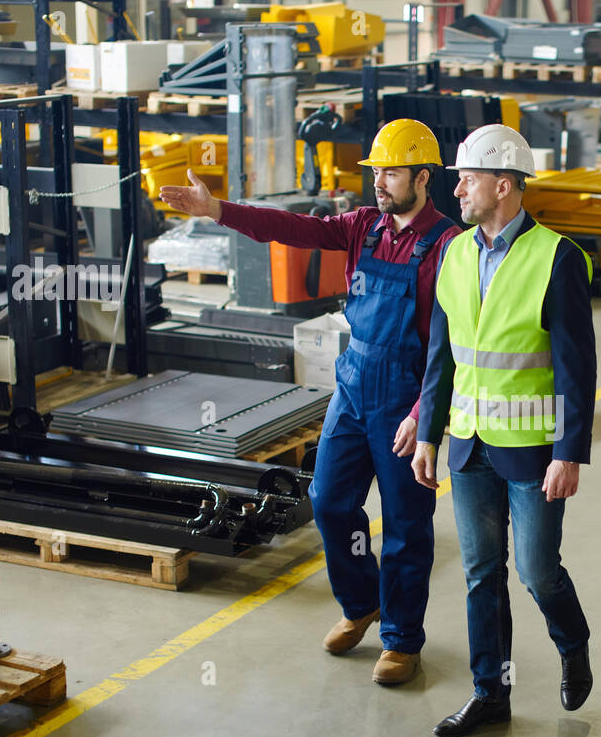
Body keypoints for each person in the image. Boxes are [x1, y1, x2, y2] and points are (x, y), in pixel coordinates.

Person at [160, 119, 458, 686]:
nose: (380, 182)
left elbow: (451, 344)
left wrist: (424, 415)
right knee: (328, 501)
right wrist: (218, 210)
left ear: (423, 177)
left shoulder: (447, 246)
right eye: (376, 172)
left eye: (391, 173)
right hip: (353, 384)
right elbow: (292, 228)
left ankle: (401, 639)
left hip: (405, 394)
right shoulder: (362, 227)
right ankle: (361, 601)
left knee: (405, 524)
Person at [411, 124, 597, 737]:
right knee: (479, 574)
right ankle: (491, 693)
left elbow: (576, 367)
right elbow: (443, 353)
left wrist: (569, 452)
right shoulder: (455, 252)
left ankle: (572, 645)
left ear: (505, 184)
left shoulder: (557, 258)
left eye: (467, 177)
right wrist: (431, 434)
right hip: (468, 446)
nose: (456, 188)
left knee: (537, 570)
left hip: (533, 449)